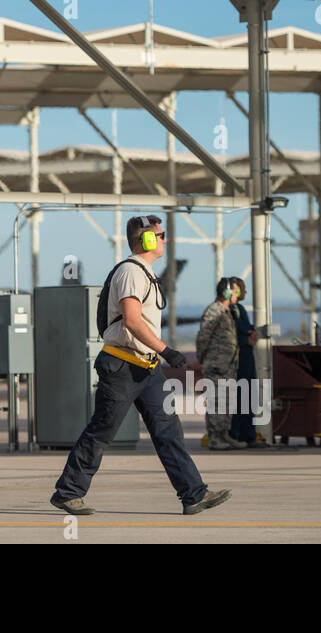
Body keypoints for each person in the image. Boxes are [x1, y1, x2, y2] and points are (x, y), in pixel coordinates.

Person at [51, 215, 231, 516]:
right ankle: (68, 492)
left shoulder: (145, 274)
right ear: (147, 240)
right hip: (122, 366)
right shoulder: (131, 272)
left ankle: (193, 494)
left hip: (147, 368)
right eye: (160, 236)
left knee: (168, 431)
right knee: (102, 431)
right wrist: (167, 351)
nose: (164, 240)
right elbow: (132, 320)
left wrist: (157, 355)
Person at [196, 278, 246, 451]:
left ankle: (224, 434)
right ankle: (215, 438)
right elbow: (203, 337)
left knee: (227, 402)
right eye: (234, 291)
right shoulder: (214, 311)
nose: (237, 294)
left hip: (228, 365)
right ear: (225, 292)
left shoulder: (228, 311)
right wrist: (203, 361)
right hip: (216, 365)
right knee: (216, 402)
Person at [228, 277, 263, 446]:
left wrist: (251, 335)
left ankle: (248, 434)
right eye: (240, 289)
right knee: (240, 397)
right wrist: (245, 340)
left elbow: (248, 330)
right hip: (238, 357)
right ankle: (235, 433)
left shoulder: (239, 308)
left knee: (250, 396)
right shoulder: (227, 310)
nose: (244, 292)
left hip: (247, 356)